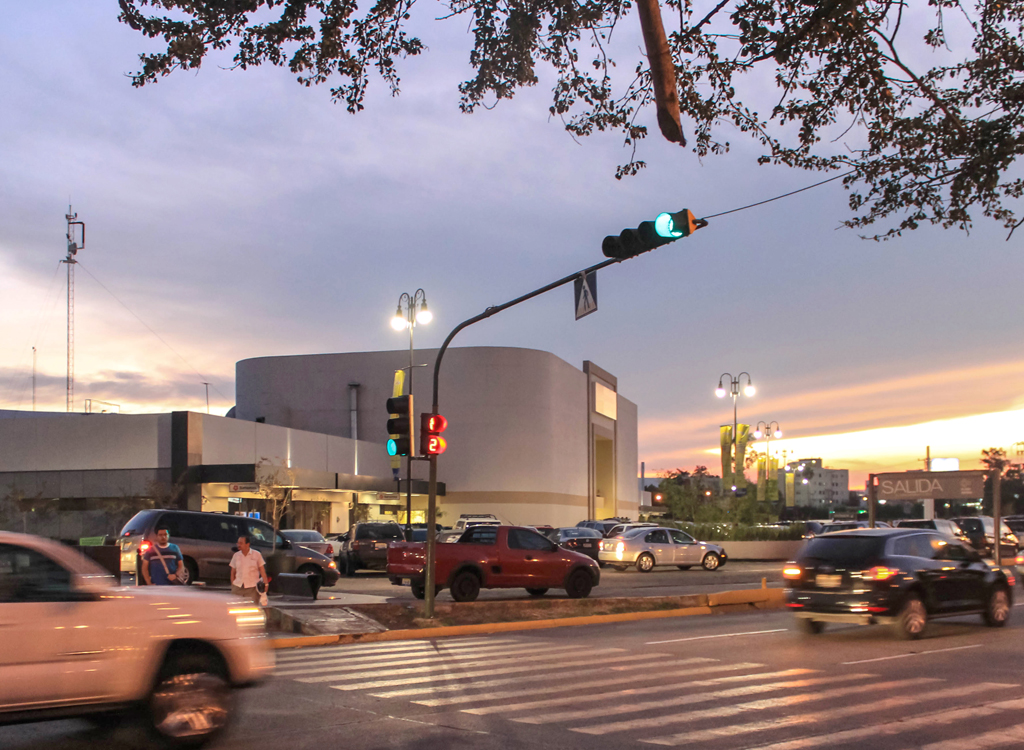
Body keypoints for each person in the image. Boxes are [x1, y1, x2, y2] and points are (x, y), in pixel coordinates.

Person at [230, 534, 268, 605]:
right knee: (236, 607)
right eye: (238, 543)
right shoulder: (236, 555)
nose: (238, 545)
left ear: (247, 544)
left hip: (252, 587)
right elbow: (233, 572)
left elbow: (262, 571)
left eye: (241, 543)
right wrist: (233, 584)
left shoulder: (257, 554)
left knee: (252, 608)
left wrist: (266, 585)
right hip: (238, 586)